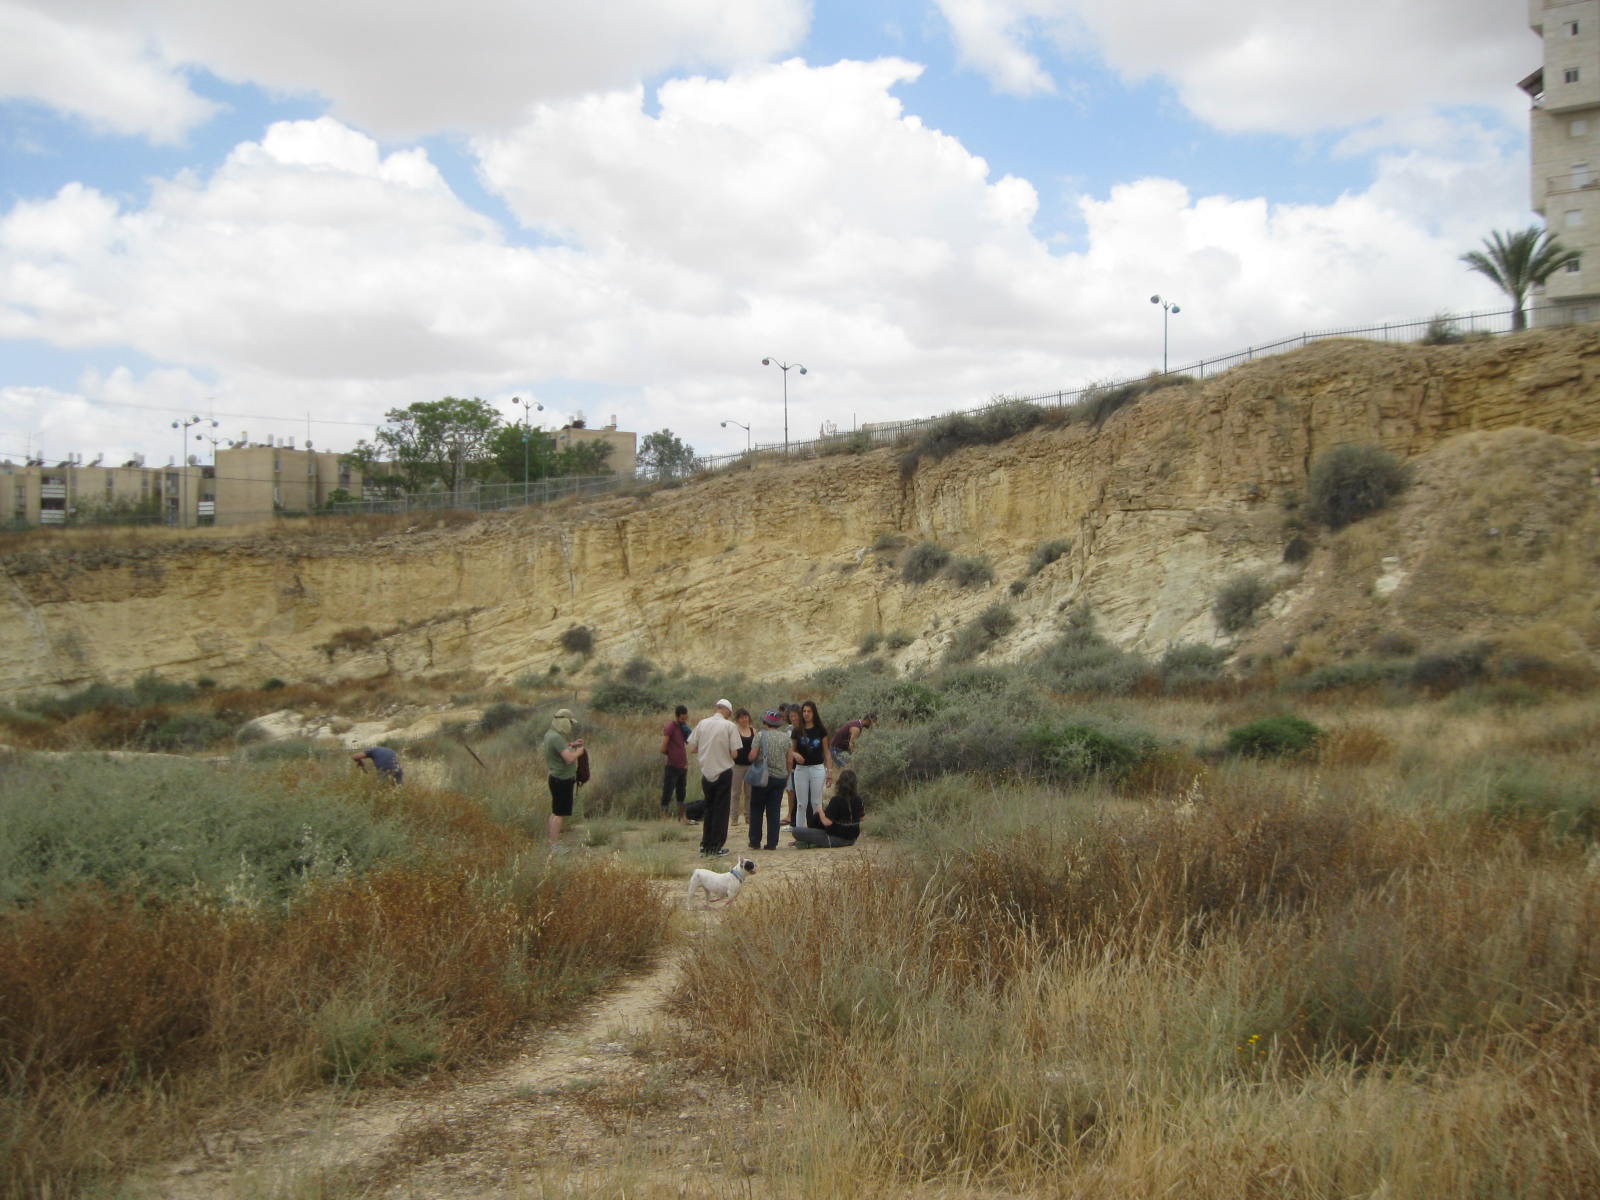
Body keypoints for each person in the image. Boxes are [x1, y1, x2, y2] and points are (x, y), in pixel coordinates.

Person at [687, 698, 741, 858]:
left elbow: (693, 747)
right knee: (721, 810)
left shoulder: (702, 724)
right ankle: (716, 846)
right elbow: (734, 753)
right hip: (723, 771)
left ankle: (706, 844)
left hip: (706, 772)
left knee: (709, 808)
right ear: (727, 711)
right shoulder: (729, 726)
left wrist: (707, 749)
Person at [788, 699, 836, 832]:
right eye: (804, 711)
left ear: (814, 713)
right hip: (801, 769)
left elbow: (827, 752)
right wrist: (795, 755)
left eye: (809, 711)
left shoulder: (821, 730)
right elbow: (790, 750)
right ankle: (799, 832)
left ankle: (816, 832)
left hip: (817, 768)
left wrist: (829, 771)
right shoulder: (797, 730)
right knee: (801, 804)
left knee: (816, 802)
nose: (806, 714)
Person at [747, 710, 791, 851]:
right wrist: (787, 774)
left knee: (756, 809)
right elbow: (789, 759)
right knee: (774, 811)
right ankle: (772, 843)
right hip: (779, 778)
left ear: (766, 722)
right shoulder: (786, 738)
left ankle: (755, 841)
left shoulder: (760, 735)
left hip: (762, 778)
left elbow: (753, 756)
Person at [543, 707, 584, 851]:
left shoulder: (550, 735)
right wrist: (579, 752)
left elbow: (559, 749)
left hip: (555, 777)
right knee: (559, 814)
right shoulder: (556, 738)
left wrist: (571, 745)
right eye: (570, 723)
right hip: (563, 779)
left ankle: (552, 842)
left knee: (555, 812)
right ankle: (555, 846)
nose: (571, 726)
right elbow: (569, 758)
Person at [792, 768, 865, 848]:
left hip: (835, 838)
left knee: (796, 831)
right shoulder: (858, 799)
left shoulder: (836, 800)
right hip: (852, 838)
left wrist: (820, 810)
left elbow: (827, 822)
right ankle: (812, 842)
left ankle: (812, 842)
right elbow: (862, 818)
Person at [660, 704, 691, 822]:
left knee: (681, 792)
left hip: (683, 765)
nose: (684, 721)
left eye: (685, 718)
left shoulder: (683, 728)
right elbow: (663, 748)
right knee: (668, 791)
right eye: (682, 718)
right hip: (672, 765)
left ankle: (682, 816)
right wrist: (672, 755)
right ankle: (664, 816)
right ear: (677, 716)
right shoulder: (670, 727)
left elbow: (689, 742)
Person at [730, 708, 757, 828]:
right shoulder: (734, 731)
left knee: (749, 793)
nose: (744, 719)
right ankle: (734, 817)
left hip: (750, 766)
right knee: (735, 793)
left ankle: (748, 816)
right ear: (737, 719)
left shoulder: (753, 731)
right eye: (741, 717)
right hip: (737, 766)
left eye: (746, 717)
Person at [779, 702, 801, 830]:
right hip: (791, 765)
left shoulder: (793, 730)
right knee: (790, 790)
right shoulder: (789, 729)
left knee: (793, 791)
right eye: (791, 716)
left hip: (795, 765)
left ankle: (792, 818)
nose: (792, 718)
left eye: (794, 715)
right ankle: (791, 816)